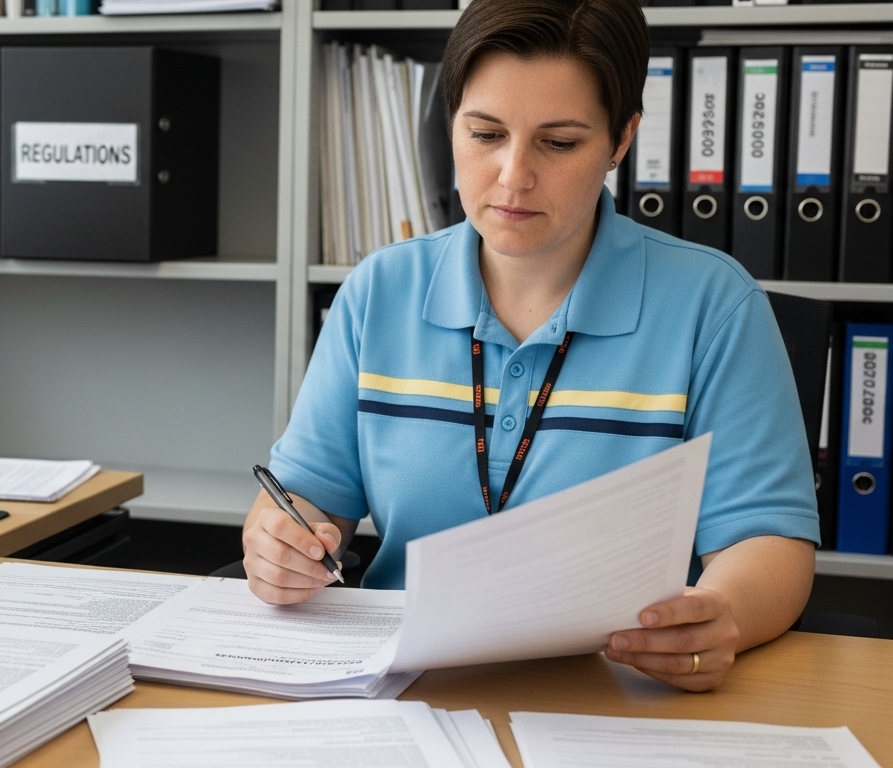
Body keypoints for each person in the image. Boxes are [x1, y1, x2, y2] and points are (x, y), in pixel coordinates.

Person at [241, 0, 819, 692]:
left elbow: (769, 544)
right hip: (406, 692)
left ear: (622, 139)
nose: (513, 176)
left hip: (623, 692)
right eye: (485, 133)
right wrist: (279, 544)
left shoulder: (714, 306)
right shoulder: (379, 293)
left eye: (560, 142)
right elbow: (303, 499)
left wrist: (720, 612)